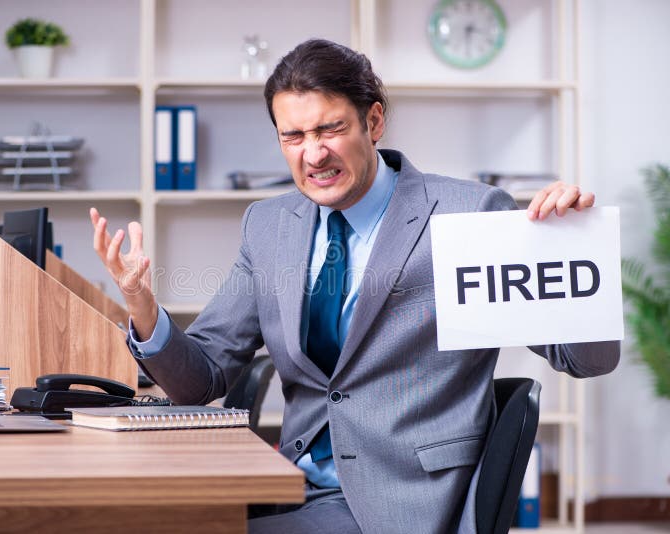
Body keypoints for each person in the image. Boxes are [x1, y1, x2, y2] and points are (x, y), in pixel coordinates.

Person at [91, 39, 619, 534]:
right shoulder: (269, 225)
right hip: (286, 483)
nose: (313, 154)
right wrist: (141, 305)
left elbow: (586, 359)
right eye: (293, 137)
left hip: (399, 501)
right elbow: (203, 378)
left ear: (374, 120)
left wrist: (570, 249)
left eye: (330, 129)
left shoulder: (468, 215)